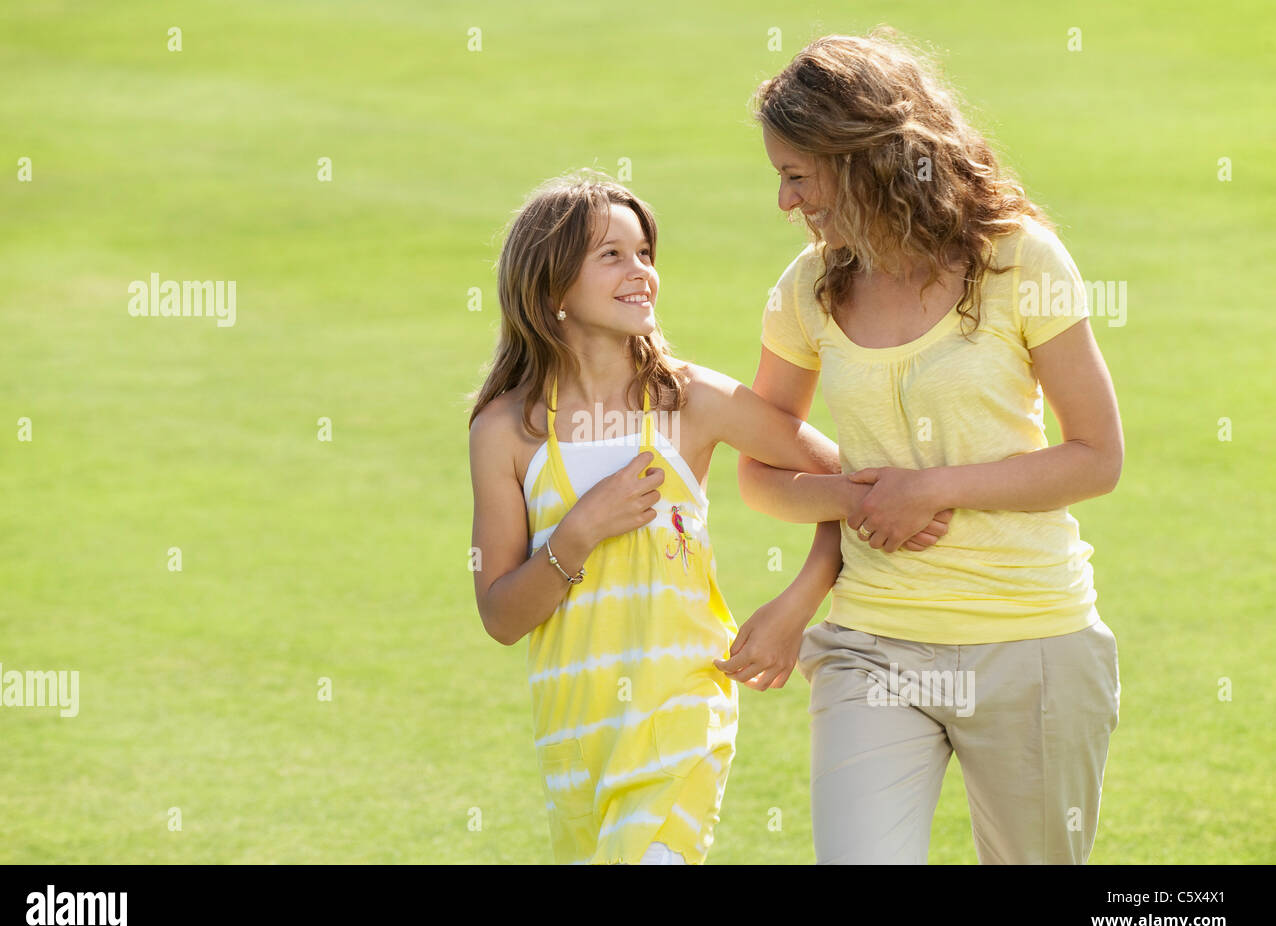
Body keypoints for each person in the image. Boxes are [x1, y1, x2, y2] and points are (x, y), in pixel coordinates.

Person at [467, 171, 949, 864]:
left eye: (645, 254)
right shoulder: (506, 431)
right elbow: (501, 616)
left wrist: (799, 602)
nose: (642, 273)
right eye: (612, 256)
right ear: (551, 289)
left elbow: (849, 482)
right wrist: (578, 534)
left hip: (682, 714)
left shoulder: (688, 400)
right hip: (576, 737)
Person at [725, 31, 1124, 864]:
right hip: (874, 643)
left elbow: (1095, 455)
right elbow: (760, 469)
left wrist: (933, 486)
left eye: (797, 175)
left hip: (1030, 639)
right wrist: (855, 497)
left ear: (862, 156)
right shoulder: (806, 287)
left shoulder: (1019, 258)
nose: (786, 202)